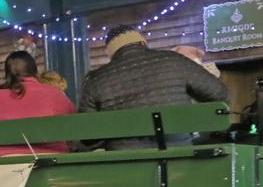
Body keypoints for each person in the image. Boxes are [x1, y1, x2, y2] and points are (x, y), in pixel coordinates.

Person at [78, 27, 227, 149]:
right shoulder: (173, 60)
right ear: (143, 42)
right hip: (178, 157)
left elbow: (88, 136)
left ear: (111, 54)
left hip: (125, 165)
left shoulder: (96, 78)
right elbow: (219, 94)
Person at [0, 52, 76, 158]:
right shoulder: (56, 95)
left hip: (4, 164)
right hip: (52, 160)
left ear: (7, 73)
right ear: (35, 71)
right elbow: (76, 126)